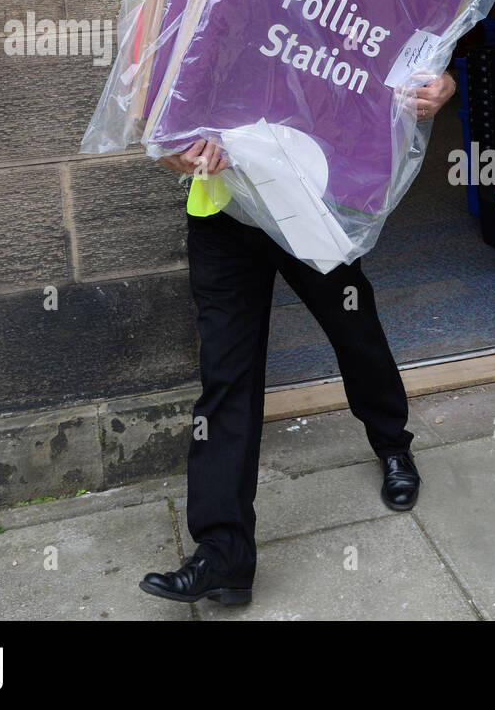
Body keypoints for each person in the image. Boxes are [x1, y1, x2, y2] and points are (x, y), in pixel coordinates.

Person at [139, 73, 458, 605]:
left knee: (353, 329)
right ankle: (223, 554)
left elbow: (392, 45)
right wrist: (165, 146)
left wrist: (438, 84)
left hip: (309, 197)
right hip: (223, 211)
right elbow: (162, 91)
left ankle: (393, 445)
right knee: (226, 374)